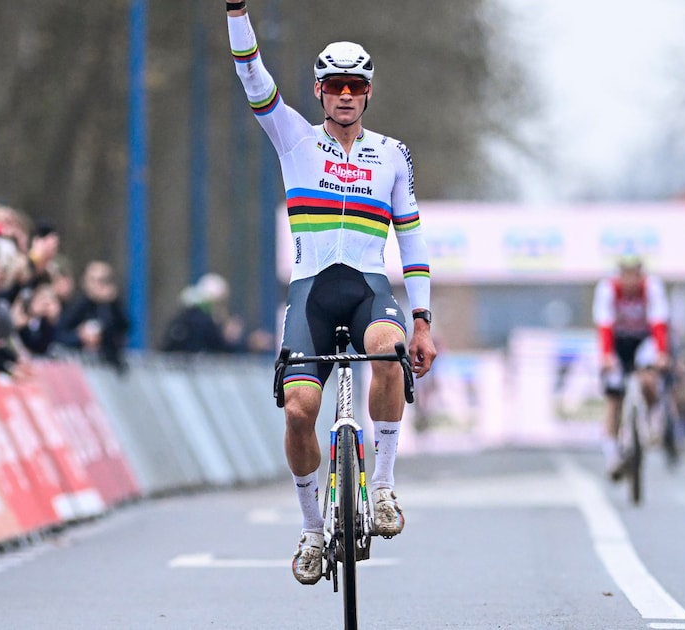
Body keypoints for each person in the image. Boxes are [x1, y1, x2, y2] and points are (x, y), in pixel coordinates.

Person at [226, 1, 437, 585]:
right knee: (300, 411)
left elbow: (412, 239)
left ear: (367, 93)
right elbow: (250, 72)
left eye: (355, 86)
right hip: (312, 292)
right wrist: (236, 10)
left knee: (389, 350)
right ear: (319, 92)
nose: (345, 95)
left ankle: (387, 488)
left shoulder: (393, 154)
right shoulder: (292, 137)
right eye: (335, 86)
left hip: (369, 286)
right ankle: (313, 531)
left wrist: (421, 320)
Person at [592, 254, 675, 479]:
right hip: (617, 343)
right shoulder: (607, 289)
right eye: (625, 274)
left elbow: (659, 323)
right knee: (613, 399)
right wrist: (607, 356)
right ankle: (612, 456)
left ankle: (653, 418)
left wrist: (661, 354)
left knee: (649, 377)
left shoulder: (652, 287)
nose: (630, 280)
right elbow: (605, 325)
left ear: (640, 273)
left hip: (643, 340)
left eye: (634, 274)